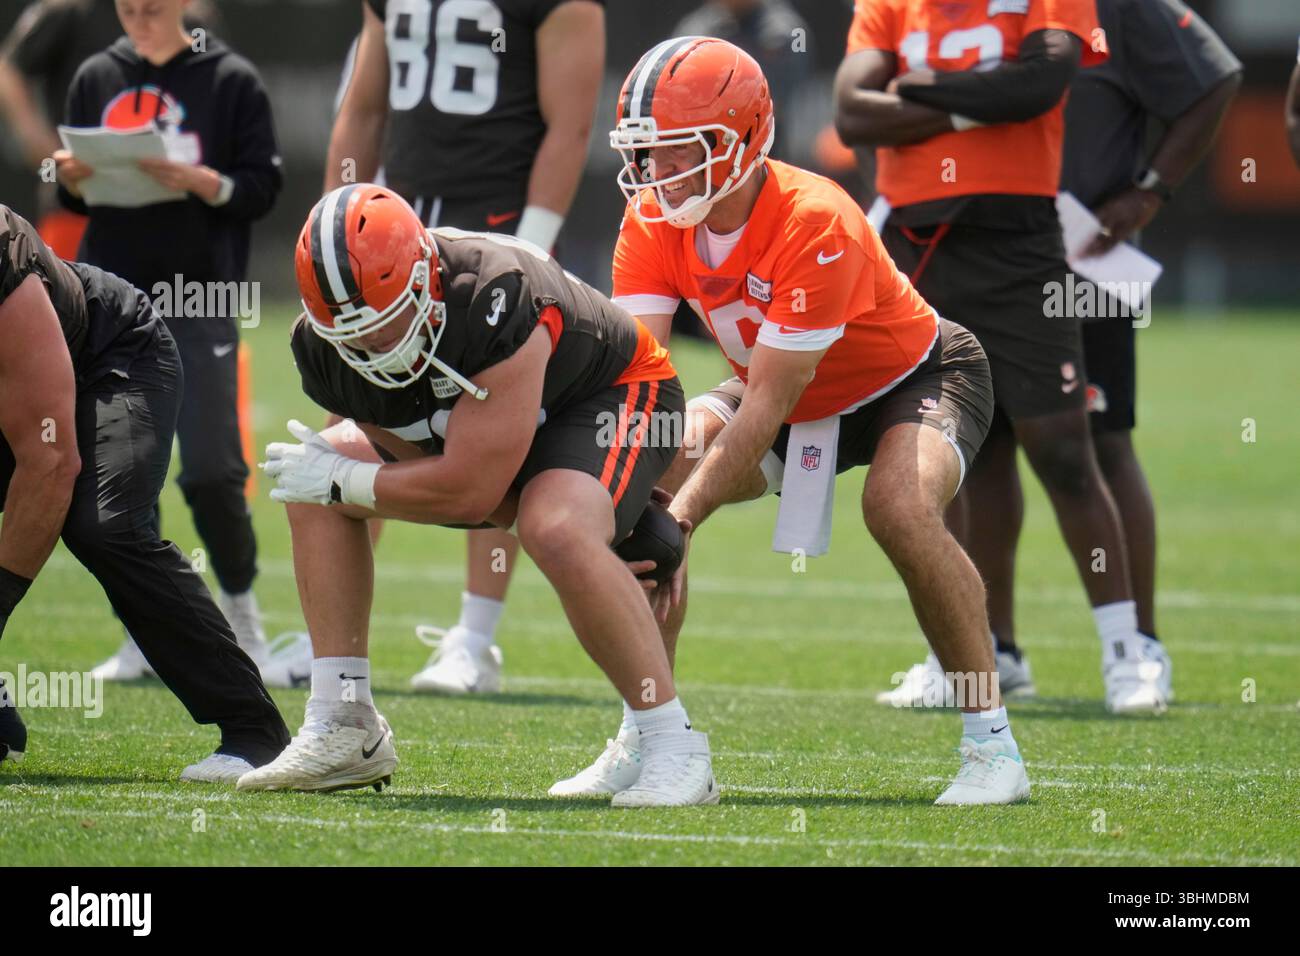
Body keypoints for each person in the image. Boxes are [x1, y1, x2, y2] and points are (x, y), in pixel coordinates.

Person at [552, 37, 1029, 806]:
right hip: (780, 388)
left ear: (741, 138)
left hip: (913, 378)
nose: (659, 175)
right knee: (650, 476)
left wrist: (683, 522)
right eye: (651, 155)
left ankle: (991, 745)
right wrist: (644, 503)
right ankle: (649, 735)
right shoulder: (649, 223)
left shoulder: (813, 219)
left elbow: (772, 402)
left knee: (898, 508)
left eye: (680, 153)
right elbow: (641, 378)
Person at [239, 184, 716, 806]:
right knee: (312, 484)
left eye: (388, 323)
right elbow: (421, 465)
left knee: (557, 528)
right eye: (354, 338)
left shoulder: (498, 294)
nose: (377, 349)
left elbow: (466, 489)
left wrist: (569, 527)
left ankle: (672, 745)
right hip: (487, 425)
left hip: (613, 395)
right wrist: (339, 481)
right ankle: (343, 722)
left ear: (425, 276)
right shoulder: (322, 349)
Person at [835, 0, 1172, 714]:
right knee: (944, 452)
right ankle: (972, 653)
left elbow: (1038, 88)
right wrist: (977, 104)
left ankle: (1128, 649)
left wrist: (917, 88)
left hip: (1020, 245)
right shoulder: (889, 3)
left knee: (1065, 451)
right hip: (920, 246)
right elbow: (854, 114)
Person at [323, 0, 605, 696]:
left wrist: (529, 245)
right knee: (357, 416)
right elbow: (364, 108)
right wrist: (332, 217)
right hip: (396, 226)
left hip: (496, 229)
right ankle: (327, 637)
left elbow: (570, 126)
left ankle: (475, 638)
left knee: (495, 429)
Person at [965, 0, 1238, 681]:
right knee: (985, 445)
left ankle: (1139, 647)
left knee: (1099, 438)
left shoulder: (1118, 5)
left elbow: (1215, 78)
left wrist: (1150, 189)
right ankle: (994, 650)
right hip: (978, 253)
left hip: (1082, 257)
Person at [51, 0, 305, 685]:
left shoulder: (230, 80)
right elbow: (74, 197)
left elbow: (262, 185)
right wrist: (71, 178)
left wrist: (202, 182)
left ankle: (242, 618)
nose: (137, 12)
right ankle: (141, 635)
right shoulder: (97, 76)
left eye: (152, 1)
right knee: (122, 475)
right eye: (126, 2)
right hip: (110, 303)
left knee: (212, 470)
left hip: (201, 300)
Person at [0, 204, 289, 781]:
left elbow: (51, 460)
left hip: (115, 355)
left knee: (104, 525)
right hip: (26, 386)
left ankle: (254, 727)